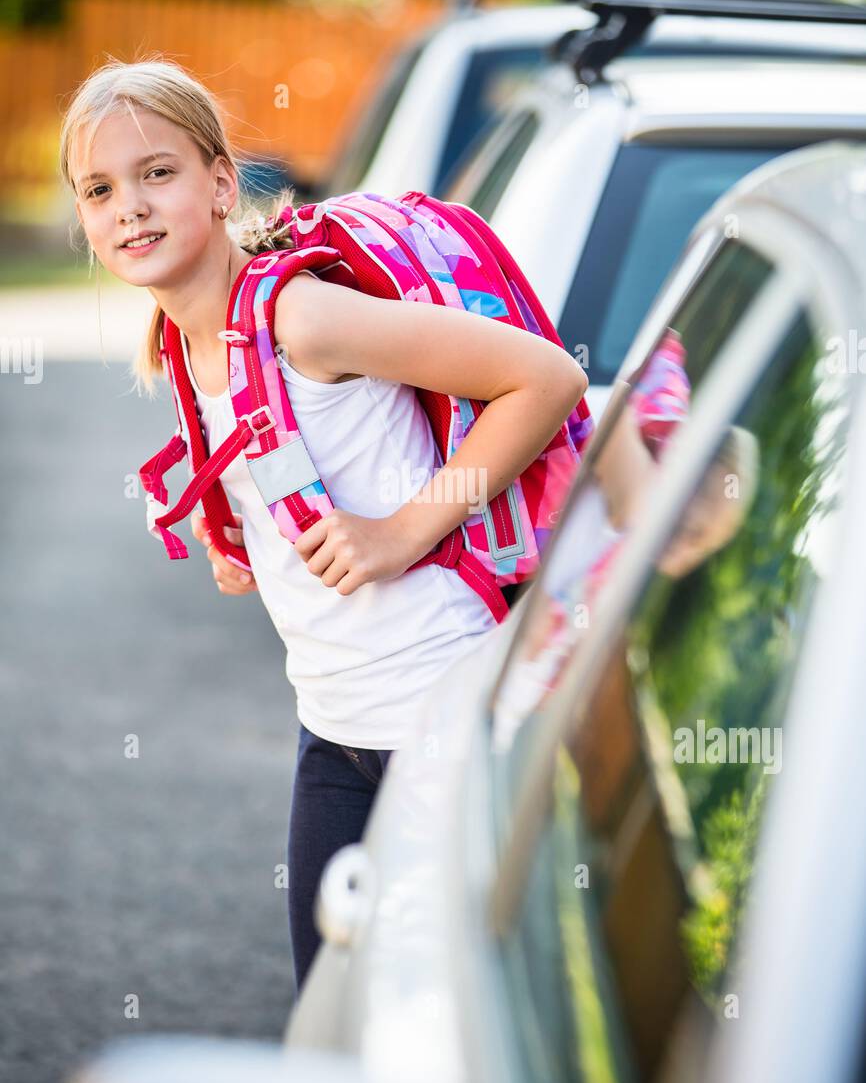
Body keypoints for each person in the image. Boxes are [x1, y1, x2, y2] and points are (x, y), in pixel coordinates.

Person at [58, 56, 588, 993]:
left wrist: (400, 533)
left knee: (454, 1026)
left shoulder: (300, 316)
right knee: (330, 1014)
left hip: (443, 715)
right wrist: (246, 544)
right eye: (100, 190)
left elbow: (545, 378)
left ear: (222, 183)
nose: (130, 207)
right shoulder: (186, 345)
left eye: (158, 173)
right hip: (335, 729)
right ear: (85, 222)